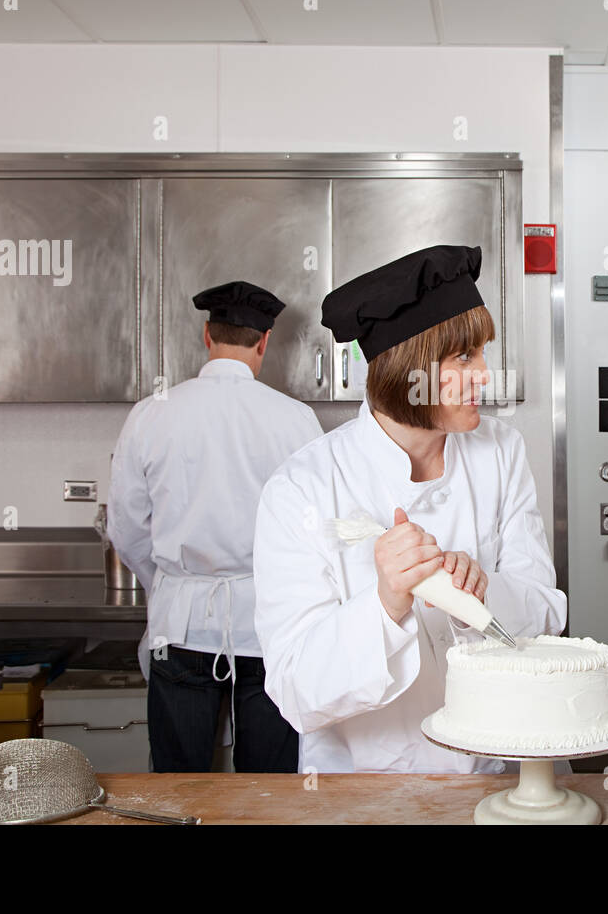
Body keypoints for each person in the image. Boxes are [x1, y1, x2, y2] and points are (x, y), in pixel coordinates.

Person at [252, 244, 567, 773]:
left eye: (482, 353)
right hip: (367, 788)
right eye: (464, 357)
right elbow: (295, 692)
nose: (484, 375)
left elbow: (546, 614)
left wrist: (480, 592)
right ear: (408, 369)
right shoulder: (303, 487)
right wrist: (386, 603)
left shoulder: (501, 451)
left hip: (502, 772)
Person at [108, 281, 322, 772]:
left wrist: (168, 586)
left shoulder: (150, 413)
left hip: (181, 627)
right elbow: (316, 534)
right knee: (267, 786)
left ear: (207, 335)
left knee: (177, 786)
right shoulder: (296, 419)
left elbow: (126, 528)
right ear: (264, 341)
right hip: (268, 628)